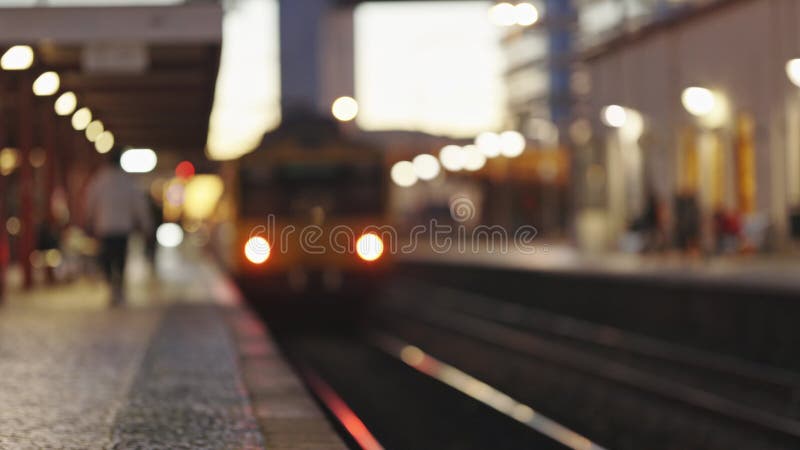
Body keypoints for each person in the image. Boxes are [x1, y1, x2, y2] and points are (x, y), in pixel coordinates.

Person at [85, 147, 153, 306]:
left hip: (105, 227)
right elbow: (139, 204)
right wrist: (146, 224)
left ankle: (113, 286)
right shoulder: (127, 181)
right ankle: (118, 287)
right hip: (122, 228)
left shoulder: (100, 179)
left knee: (106, 259)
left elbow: (90, 200)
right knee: (120, 260)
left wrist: (89, 220)